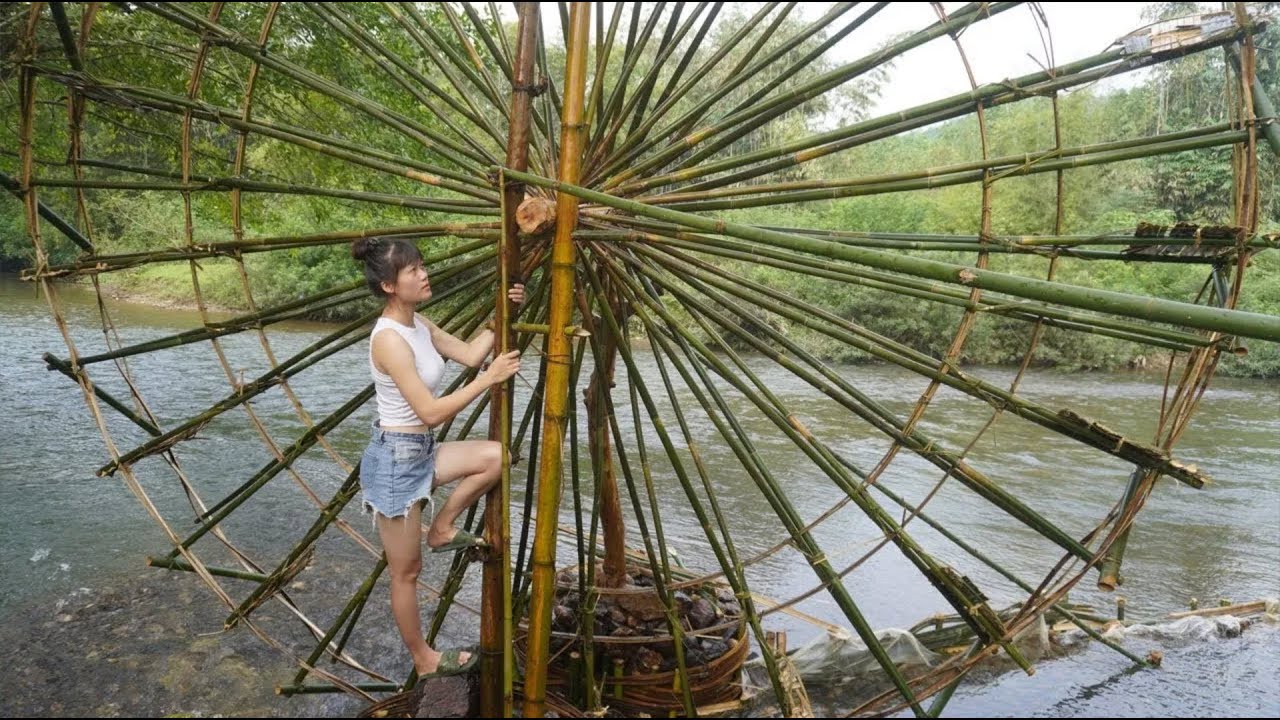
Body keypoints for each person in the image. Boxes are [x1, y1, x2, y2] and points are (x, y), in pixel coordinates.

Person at [352, 236, 522, 677]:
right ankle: (423, 659)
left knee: (496, 457)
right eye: (412, 271)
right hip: (394, 462)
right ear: (390, 285)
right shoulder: (388, 340)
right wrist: (489, 381)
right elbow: (428, 412)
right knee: (406, 571)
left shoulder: (418, 324)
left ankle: (443, 527)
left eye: (422, 266)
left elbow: (468, 354)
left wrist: (501, 312)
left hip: (420, 451)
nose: (424, 274)